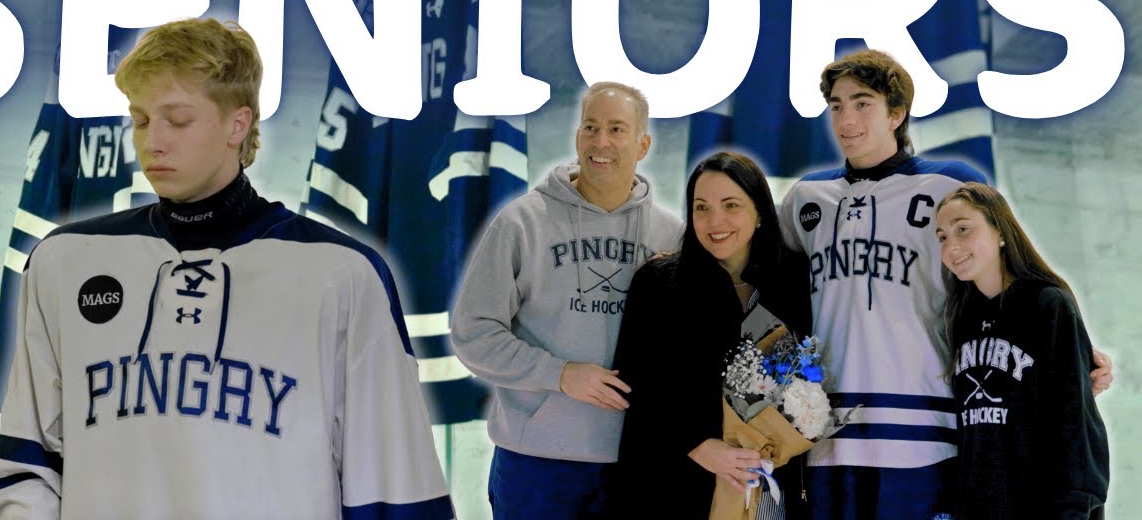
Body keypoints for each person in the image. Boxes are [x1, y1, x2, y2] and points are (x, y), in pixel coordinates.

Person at [0, 18, 452, 519]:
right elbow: (27, 467)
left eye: (178, 119)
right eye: (141, 120)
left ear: (238, 124)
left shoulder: (341, 274)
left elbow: (395, 485)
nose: (153, 142)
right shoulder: (66, 261)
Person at [775, 49, 1113, 519]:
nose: (846, 118)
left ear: (897, 113)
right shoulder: (804, 199)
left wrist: (1071, 352)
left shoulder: (949, 186)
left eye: (862, 103)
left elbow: (1010, 276)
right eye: (836, 105)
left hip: (926, 434)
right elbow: (763, 288)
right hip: (827, 435)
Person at [450, 81, 684, 519]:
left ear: (643, 144)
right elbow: (473, 333)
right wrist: (559, 375)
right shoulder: (522, 222)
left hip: (633, 458)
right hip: (536, 461)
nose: (600, 142)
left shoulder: (669, 235)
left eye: (617, 129)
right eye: (590, 127)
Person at [610, 151, 812, 519]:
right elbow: (635, 385)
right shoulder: (658, 283)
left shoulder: (793, 284)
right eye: (701, 208)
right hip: (675, 484)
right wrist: (698, 446)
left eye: (731, 205)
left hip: (766, 482)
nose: (714, 221)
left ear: (761, 212)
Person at [936, 183, 1109, 518]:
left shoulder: (1048, 304)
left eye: (963, 229)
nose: (951, 246)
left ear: (1000, 231)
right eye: (942, 237)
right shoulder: (962, 318)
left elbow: (1075, 423)